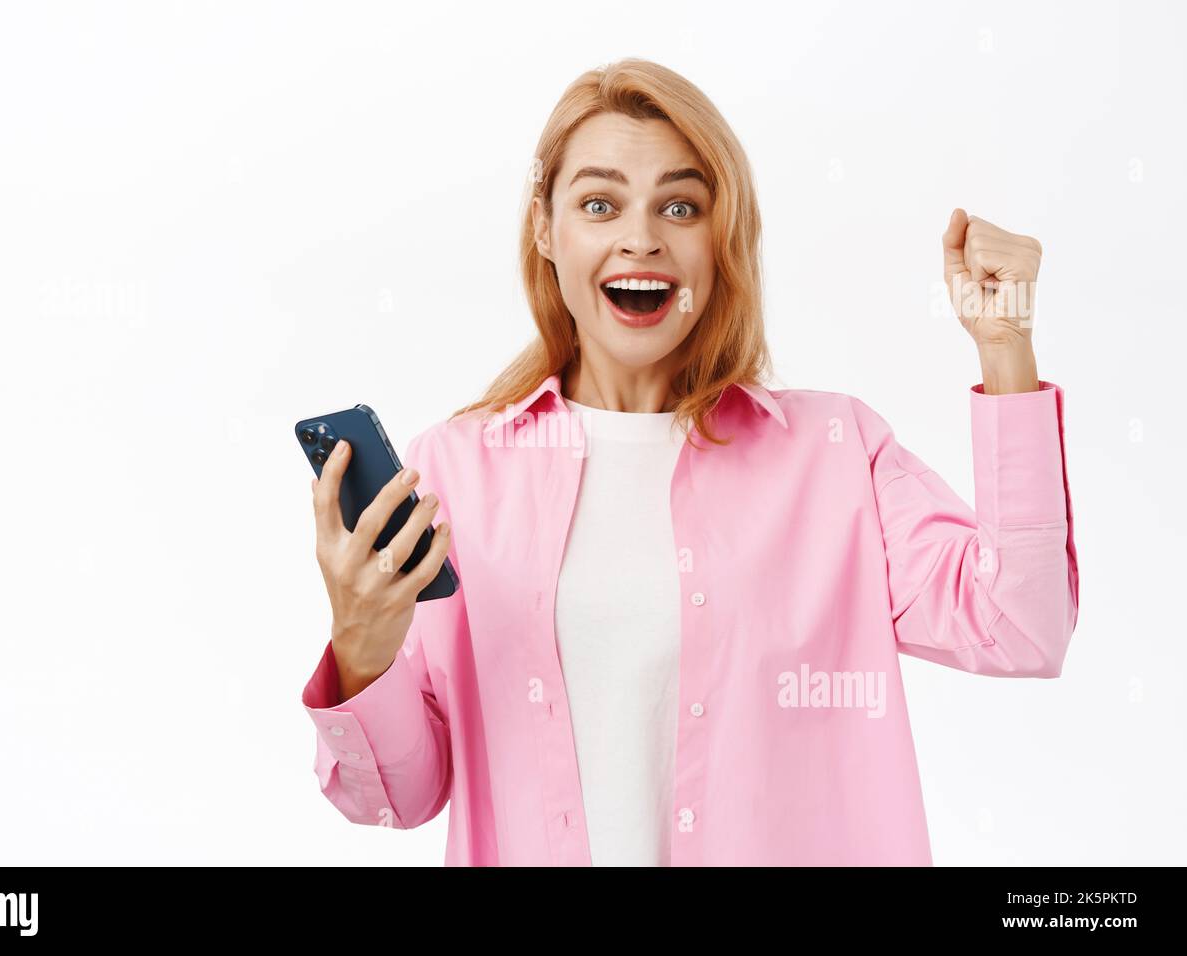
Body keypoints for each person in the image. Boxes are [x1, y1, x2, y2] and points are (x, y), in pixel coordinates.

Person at [301, 58, 1078, 866]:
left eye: (680, 205)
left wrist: (1006, 345)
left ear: (720, 237)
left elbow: (1021, 627)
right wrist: (362, 646)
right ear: (545, 229)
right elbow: (393, 796)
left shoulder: (834, 454)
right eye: (599, 204)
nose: (642, 237)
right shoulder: (456, 474)